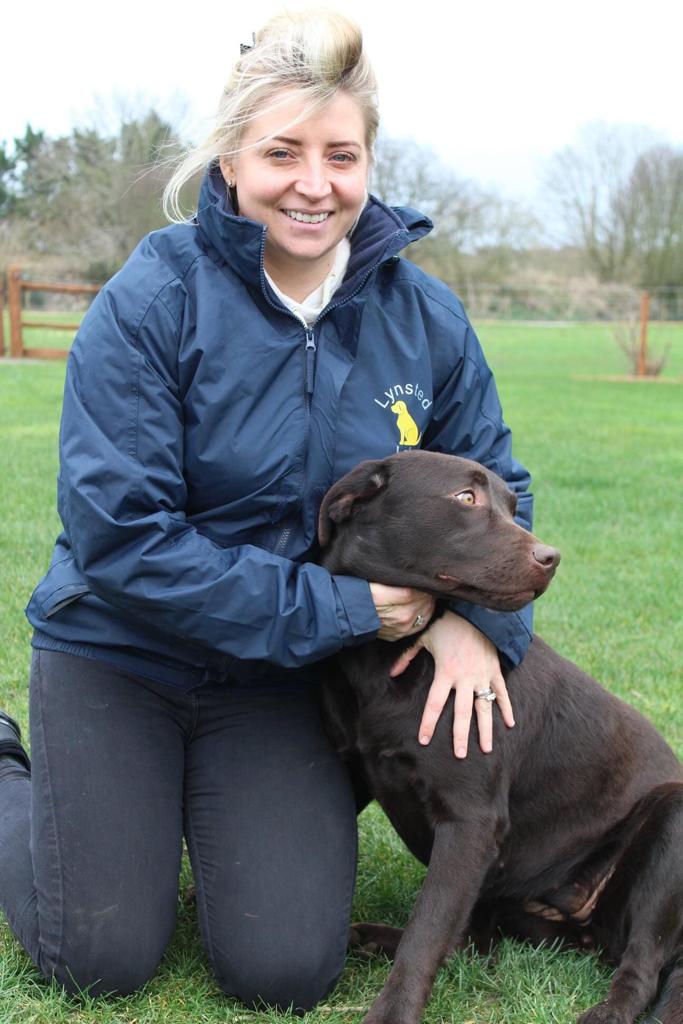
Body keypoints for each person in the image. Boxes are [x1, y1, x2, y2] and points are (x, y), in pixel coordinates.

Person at [0, 9, 534, 1013]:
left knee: (285, 968)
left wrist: (479, 621)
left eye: (341, 154)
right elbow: (126, 540)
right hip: (122, 649)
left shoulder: (423, 319)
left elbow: (500, 487)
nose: (313, 184)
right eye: (281, 151)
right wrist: (350, 611)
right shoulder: (150, 300)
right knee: (95, 954)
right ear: (232, 159)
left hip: (279, 680)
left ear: (369, 162)